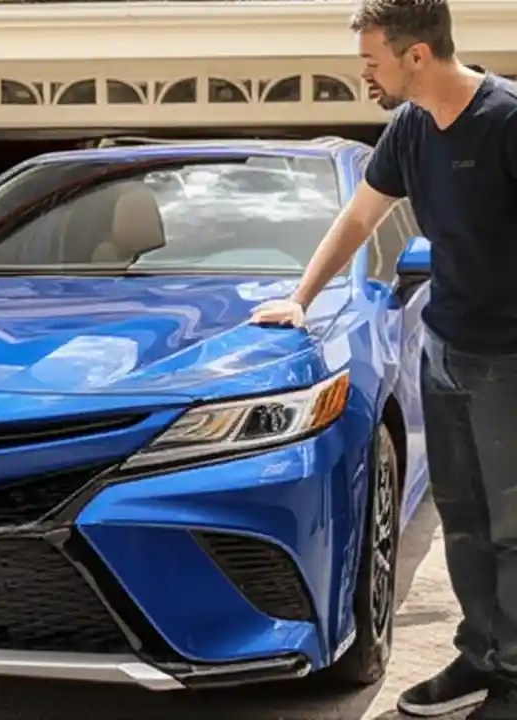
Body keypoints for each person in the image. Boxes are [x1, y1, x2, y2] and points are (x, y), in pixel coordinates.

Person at [249, 1, 517, 718]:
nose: (364, 74)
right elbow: (358, 217)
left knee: (512, 526)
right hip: (445, 346)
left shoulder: (507, 121)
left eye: (372, 61)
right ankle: (481, 657)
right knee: (460, 517)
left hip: (510, 360)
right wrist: (301, 298)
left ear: (418, 55)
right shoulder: (409, 128)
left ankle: (515, 679)